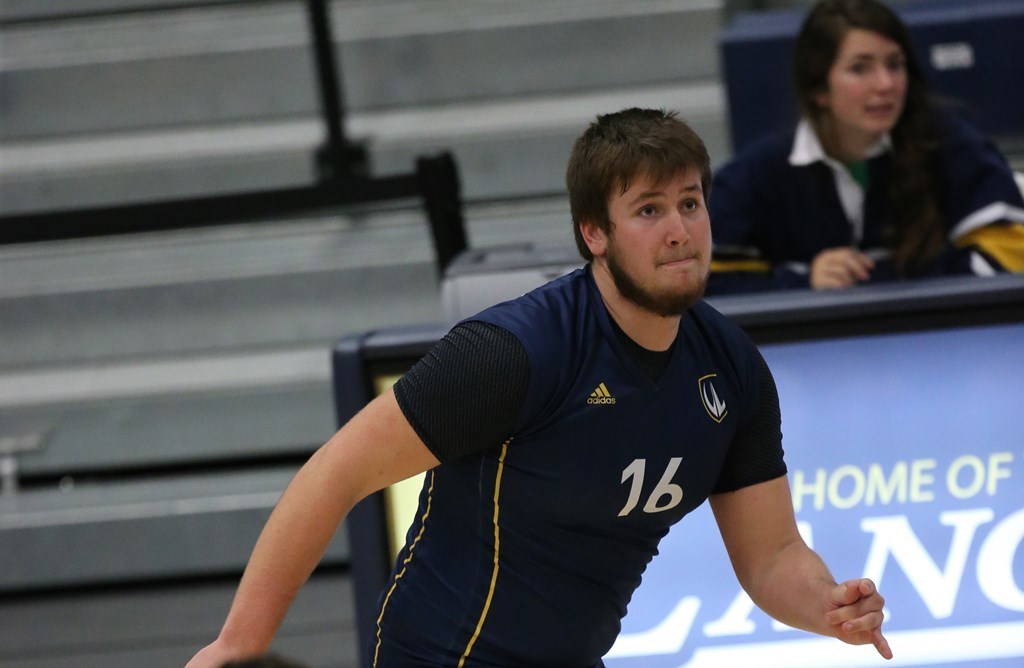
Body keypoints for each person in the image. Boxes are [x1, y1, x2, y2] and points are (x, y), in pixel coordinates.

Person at [186, 108, 891, 668]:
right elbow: (334, 473)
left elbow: (772, 557)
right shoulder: (514, 352)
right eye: (649, 210)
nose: (680, 230)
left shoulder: (731, 370)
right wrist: (237, 647)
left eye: (690, 203)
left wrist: (828, 605)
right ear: (594, 233)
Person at [708, 0, 1024, 294]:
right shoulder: (757, 173)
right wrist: (805, 282)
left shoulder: (951, 146)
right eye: (860, 68)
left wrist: (880, 287)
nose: (885, 84)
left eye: (895, 65)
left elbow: (1009, 255)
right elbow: (704, 284)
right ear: (818, 89)